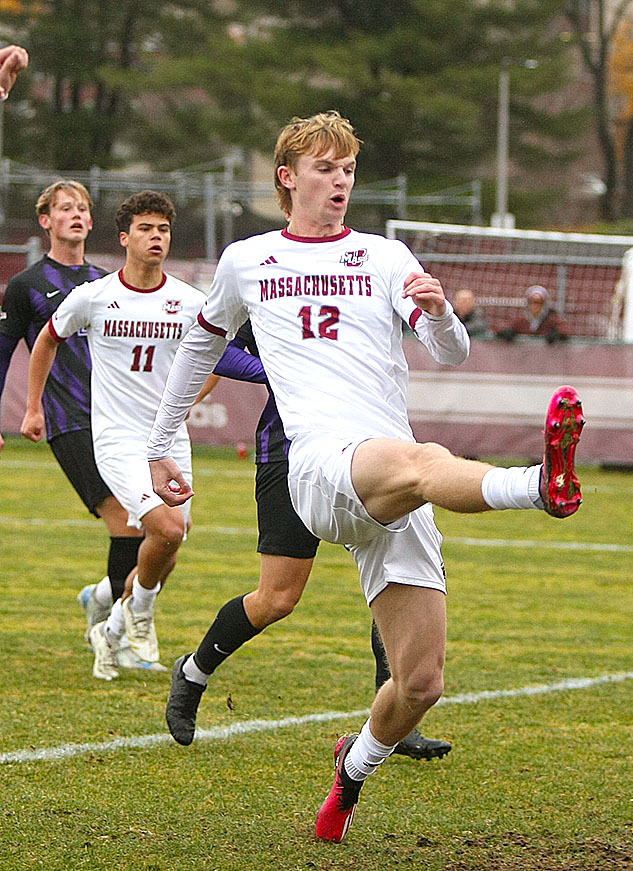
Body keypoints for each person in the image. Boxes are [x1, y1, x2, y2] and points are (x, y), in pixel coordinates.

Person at [144, 111, 584, 844]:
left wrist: (442, 315)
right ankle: (540, 485)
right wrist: (162, 441)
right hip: (317, 462)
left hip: (387, 473)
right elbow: (201, 344)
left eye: (348, 168)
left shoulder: (383, 256)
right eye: (325, 168)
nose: (340, 180)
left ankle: (352, 773)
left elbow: (452, 351)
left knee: (421, 682)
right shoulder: (248, 259)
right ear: (287, 177)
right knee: (416, 465)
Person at [166, 318, 452, 760]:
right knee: (277, 598)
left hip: (374, 452)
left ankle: (396, 718)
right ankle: (194, 671)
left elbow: (446, 341)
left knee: (402, 579)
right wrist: (282, 369)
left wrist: (435, 311)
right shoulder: (273, 284)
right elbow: (216, 350)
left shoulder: (370, 275)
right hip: (292, 456)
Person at [22, 190, 205, 681]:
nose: (156, 237)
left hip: (169, 441)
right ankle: (138, 615)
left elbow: (215, 357)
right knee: (163, 528)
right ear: (125, 238)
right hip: (118, 440)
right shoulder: (95, 296)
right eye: (145, 229)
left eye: (163, 229)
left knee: (170, 543)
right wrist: (34, 403)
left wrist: (186, 403)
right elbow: (46, 340)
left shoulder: (189, 303)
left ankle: (110, 618)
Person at [0, 181, 148, 658]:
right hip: (68, 420)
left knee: (157, 529)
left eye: (83, 207)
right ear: (46, 221)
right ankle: (116, 633)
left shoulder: (106, 282)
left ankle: (103, 598)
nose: (78, 215)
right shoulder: (26, 286)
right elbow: (5, 354)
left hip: (120, 418)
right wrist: (29, 408)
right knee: (128, 523)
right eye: (66, 208)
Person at [497, 284, 568, 343]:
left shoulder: (552, 319)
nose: (535, 306)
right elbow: (500, 327)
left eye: (538, 302)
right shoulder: (522, 320)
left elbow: (565, 329)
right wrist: (506, 331)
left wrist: (558, 334)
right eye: (532, 302)